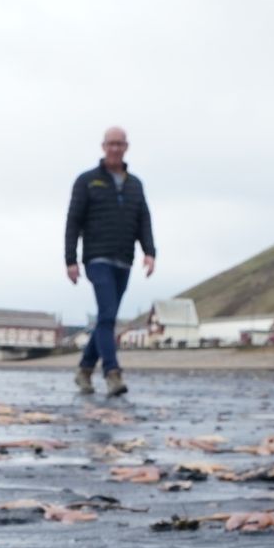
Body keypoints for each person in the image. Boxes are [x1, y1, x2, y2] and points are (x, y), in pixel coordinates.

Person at [64, 126, 155, 397]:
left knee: (107, 317)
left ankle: (84, 370)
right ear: (103, 146)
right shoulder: (87, 181)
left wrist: (150, 252)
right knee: (107, 316)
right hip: (97, 258)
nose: (115, 148)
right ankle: (113, 374)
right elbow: (73, 222)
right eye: (110, 143)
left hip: (124, 260)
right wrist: (70, 260)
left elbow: (144, 221)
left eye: (120, 144)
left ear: (126, 147)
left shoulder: (135, 184)